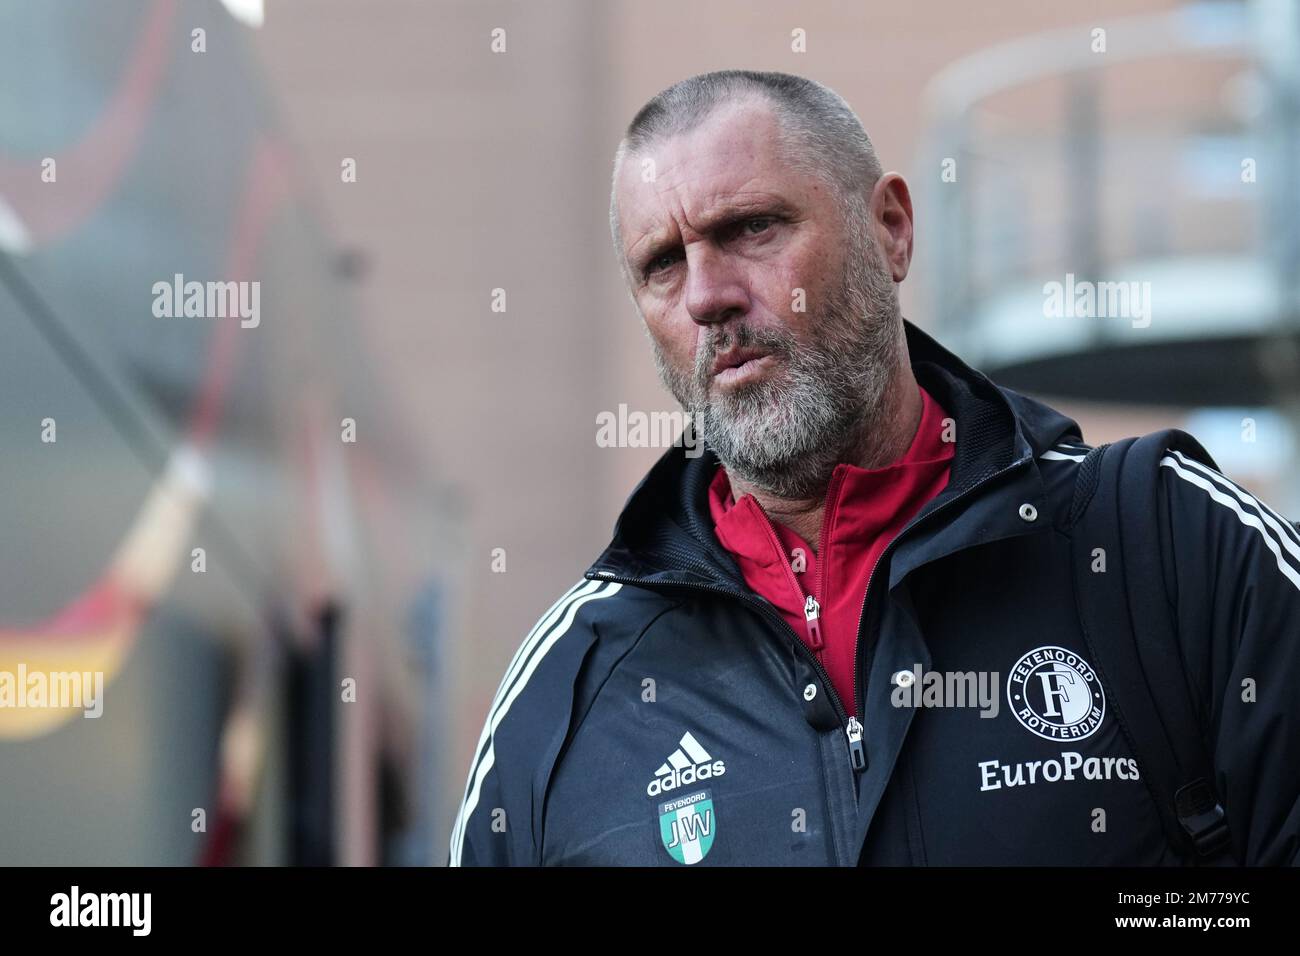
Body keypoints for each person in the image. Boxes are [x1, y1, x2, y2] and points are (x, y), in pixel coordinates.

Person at [449, 70, 1300, 866]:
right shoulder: (568, 688)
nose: (707, 294)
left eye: (752, 228)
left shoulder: (1172, 546)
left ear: (890, 228)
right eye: (663, 264)